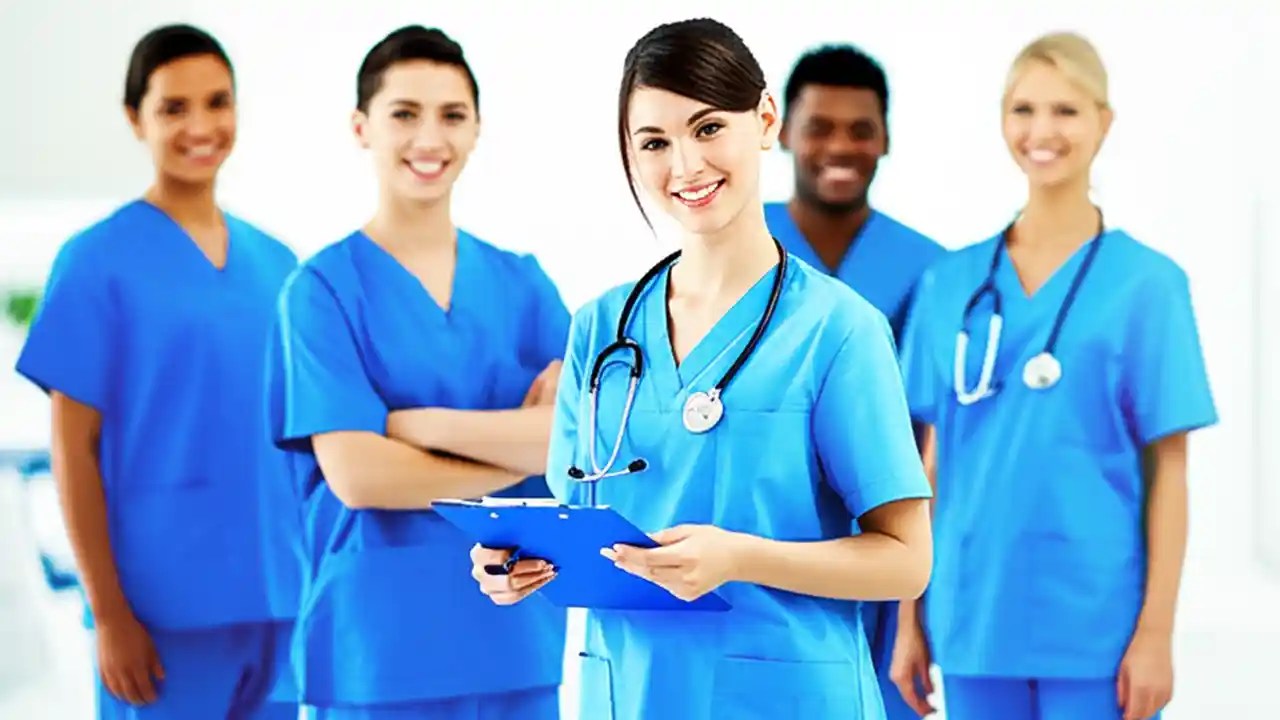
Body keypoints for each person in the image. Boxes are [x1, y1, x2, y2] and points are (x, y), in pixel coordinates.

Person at [469, 17, 934, 720]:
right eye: (655, 142)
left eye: (709, 128)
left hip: (788, 696)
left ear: (766, 120)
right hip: (628, 690)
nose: (684, 166)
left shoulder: (839, 330)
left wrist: (743, 557)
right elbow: (580, 524)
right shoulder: (602, 328)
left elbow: (906, 560)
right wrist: (515, 566)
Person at [891, 32, 1217, 720]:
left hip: (1098, 628)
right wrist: (907, 619)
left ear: (1105, 121)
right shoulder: (950, 285)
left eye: (1066, 110)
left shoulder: (1148, 286)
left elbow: (1171, 472)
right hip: (973, 616)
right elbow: (926, 468)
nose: (1042, 131)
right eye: (1024, 109)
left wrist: (1156, 633)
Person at [265, 25, 568, 720]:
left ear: (477, 130)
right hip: (377, 653)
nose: (429, 138)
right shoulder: (321, 291)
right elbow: (359, 476)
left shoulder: (522, 285)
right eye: (405, 114)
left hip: (513, 640)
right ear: (361, 127)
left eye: (452, 116)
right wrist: (505, 459)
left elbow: (574, 443)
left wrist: (412, 427)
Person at [13, 24, 299, 720]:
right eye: (174, 107)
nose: (200, 125)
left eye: (217, 102)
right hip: (161, 612)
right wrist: (108, 614)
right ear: (134, 118)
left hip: (280, 596)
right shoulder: (95, 261)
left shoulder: (280, 264)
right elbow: (72, 452)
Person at [770, 44, 947, 720]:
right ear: (782, 131)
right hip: (762, 540)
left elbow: (931, 442)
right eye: (819, 126)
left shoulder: (931, 269)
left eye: (860, 128)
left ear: (886, 139)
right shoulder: (732, 247)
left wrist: (911, 615)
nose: (839, 145)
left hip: (885, 554)